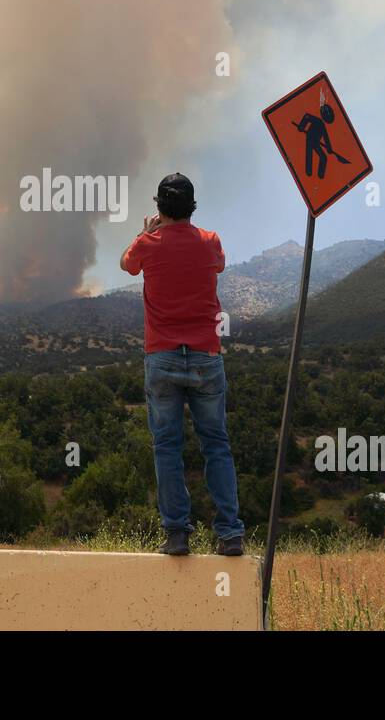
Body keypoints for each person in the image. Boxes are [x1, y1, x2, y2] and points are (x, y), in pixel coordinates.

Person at [119, 173, 245, 557]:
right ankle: (230, 535)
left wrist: (147, 232)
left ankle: (177, 535)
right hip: (206, 356)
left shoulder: (147, 244)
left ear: (158, 206)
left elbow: (127, 265)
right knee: (217, 446)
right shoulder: (210, 242)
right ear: (191, 207)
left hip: (162, 357)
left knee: (167, 448)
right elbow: (219, 265)